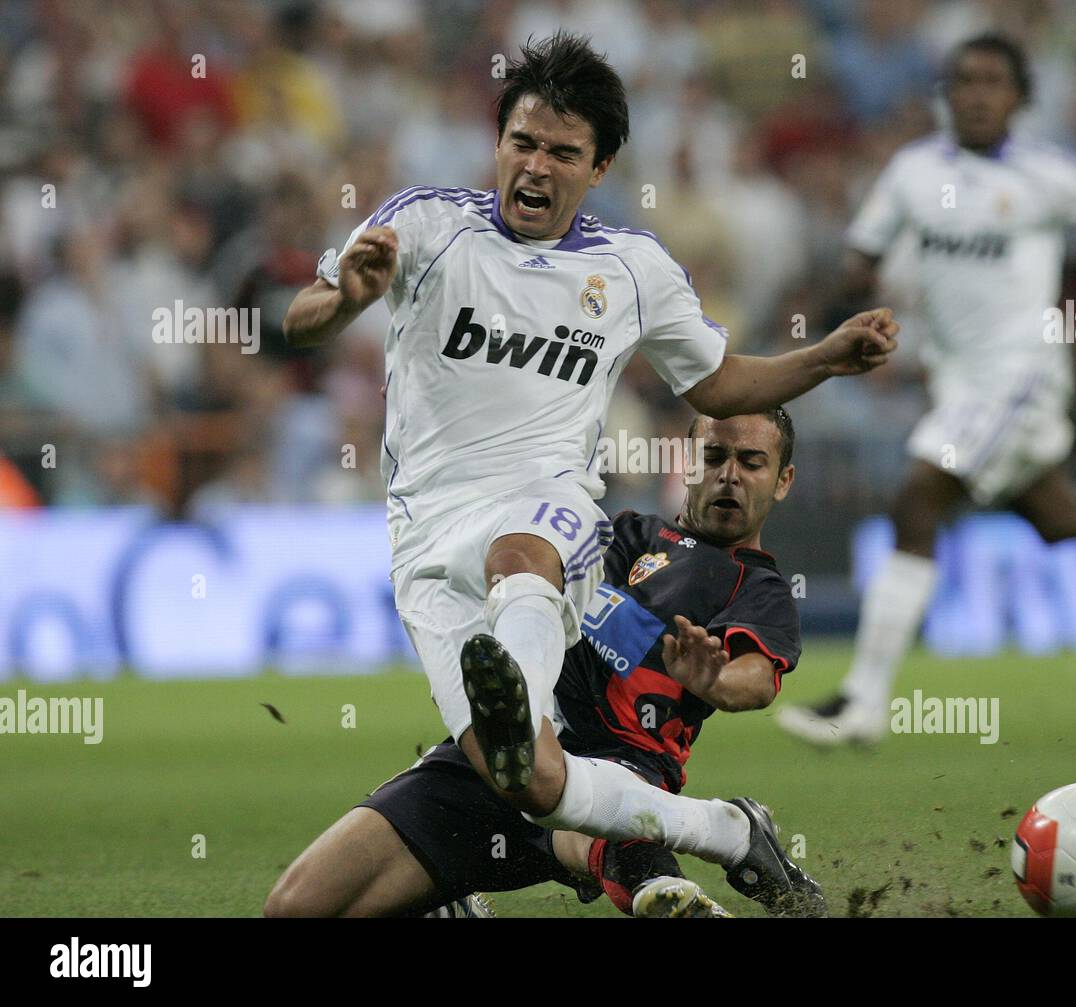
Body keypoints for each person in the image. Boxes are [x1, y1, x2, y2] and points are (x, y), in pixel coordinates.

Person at [281, 32, 898, 892]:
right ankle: (725, 828)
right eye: (522, 143)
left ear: (600, 166)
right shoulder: (423, 223)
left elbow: (719, 382)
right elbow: (301, 319)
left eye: (563, 152)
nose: (536, 166)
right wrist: (346, 293)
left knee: (520, 552)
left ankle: (518, 709)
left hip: (548, 509)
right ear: (498, 144)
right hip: (426, 547)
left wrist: (824, 358)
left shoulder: (632, 270)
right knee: (525, 784)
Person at [777, 33, 1076, 747]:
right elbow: (861, 259)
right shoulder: (912, 173)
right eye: (963, 80)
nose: (976, 93)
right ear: (945, 94)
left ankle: (863, 699)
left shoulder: (1047, 174)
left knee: (918, 496)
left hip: (1022, 374)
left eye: (992, 81)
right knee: (1059, 516)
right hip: (959, 381)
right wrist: (838, 305)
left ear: (1019, 97)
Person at [267, 410, 822, 918]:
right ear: (687, 464)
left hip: (618, 772)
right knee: (296, 907)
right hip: (501, 748)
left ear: (782, 481)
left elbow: (757, 680)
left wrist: (716, 679)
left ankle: (678, 869)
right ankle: (453, 905)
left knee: (639, 870)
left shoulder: (758, 587)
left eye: (752, 463)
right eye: (714, 456)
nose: (730, 475)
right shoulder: (628, 535)